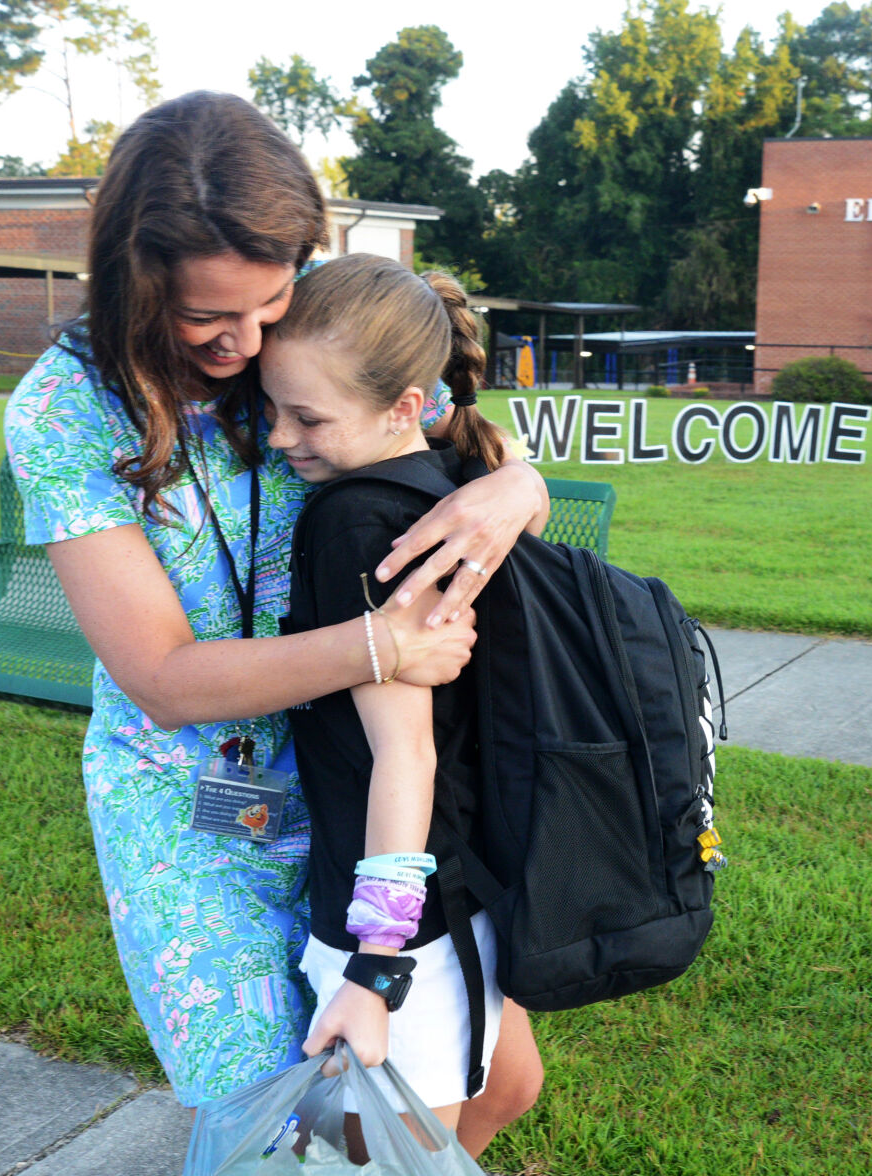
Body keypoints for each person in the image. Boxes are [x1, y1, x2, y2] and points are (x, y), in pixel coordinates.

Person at [1, 91, 546, 1149]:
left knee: (493, 1081)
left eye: (269, 301)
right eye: (206, 316)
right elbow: (160, 675)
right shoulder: (66, 411)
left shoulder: (301, 343)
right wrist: (381, 645)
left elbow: (446, 414)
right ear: (131, 280)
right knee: (277, 1118)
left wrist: (518, 487)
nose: (245, 342)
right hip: (189, 809)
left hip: (355, 781)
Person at [265, 252, 520, 1129]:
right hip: (464, 884)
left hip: (398, 920)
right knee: (473, 1110)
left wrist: (375, 965)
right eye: (272, 409)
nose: (278, 437)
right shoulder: (452, 483)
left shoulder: (356, 521)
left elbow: (403, 753)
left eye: (305, 416)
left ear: (404, 406)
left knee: (388, 1145)